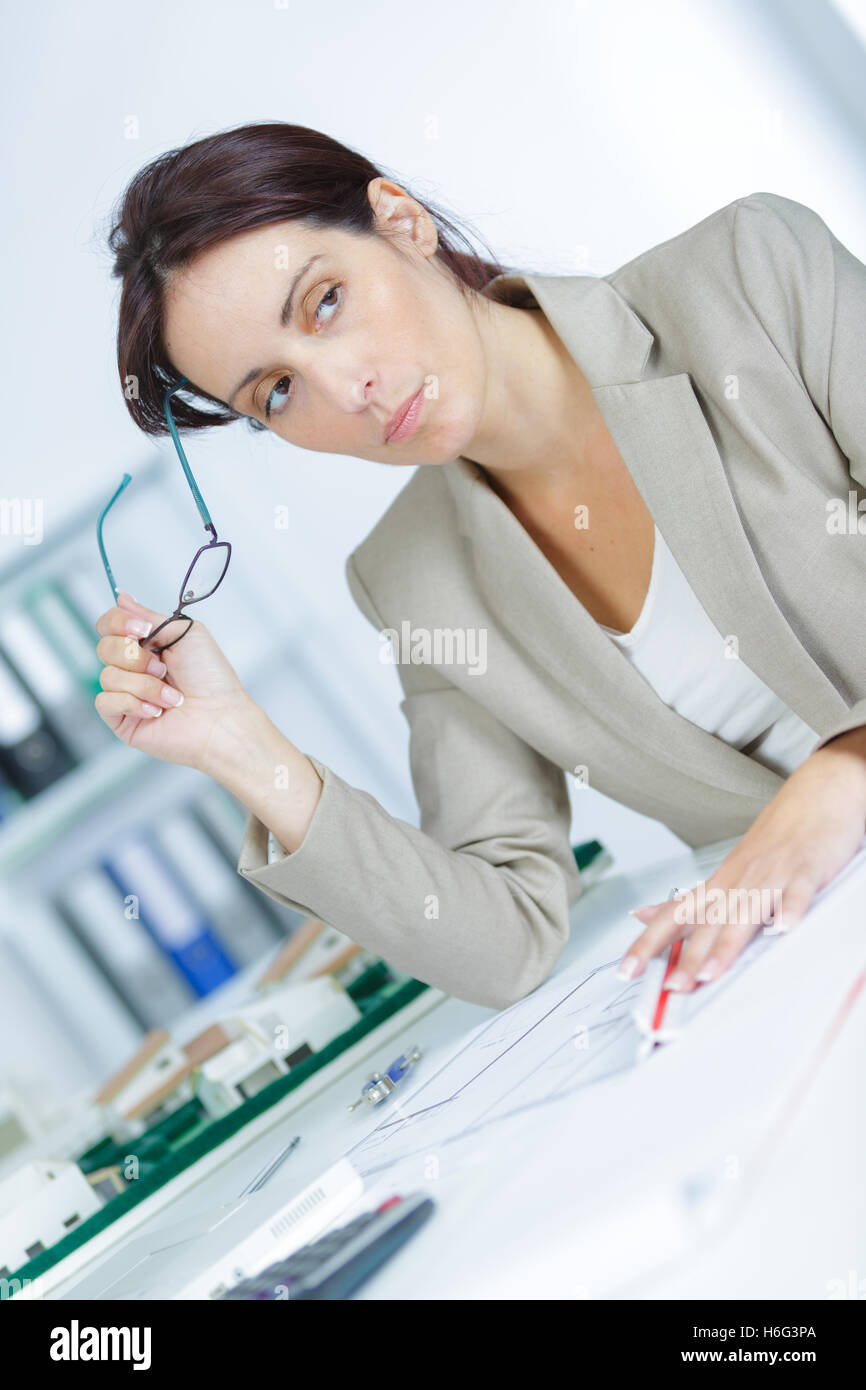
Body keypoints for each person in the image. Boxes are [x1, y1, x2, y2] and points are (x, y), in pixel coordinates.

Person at [95, 121, 866, 1010]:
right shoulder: (412, 577)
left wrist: (843, 771)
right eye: (276, 391)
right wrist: (241, 746)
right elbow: (503, 942)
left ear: (400, 221)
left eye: (326, 303)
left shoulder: (748, 276)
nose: (347, 391)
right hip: (816, 970)